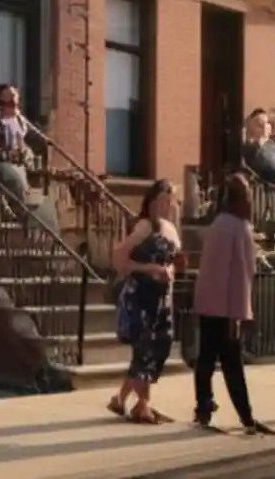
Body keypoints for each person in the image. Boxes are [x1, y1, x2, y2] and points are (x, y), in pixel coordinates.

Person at [192, 173, 275, 436]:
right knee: (232, 364)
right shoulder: (239, 228)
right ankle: (247, 417)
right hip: (228, 308)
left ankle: (203, 408)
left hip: (208, 304)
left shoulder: (217, 224)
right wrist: (239, 314)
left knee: (205, 358)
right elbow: (240, 274)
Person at [108, 179, 185, 425]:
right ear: (151, 202)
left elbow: (172, 260)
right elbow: (119, 258)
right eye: (161, 201)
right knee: (144, 350)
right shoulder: (144, 227)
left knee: (160, 345)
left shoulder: (171, 228)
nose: (166, 206)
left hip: (162, 297)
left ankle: (121, 400)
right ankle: (143, 405)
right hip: (141, 296)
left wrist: (171, 269)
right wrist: (148, 267)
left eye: (170, 201)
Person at [0, 84, 35, 203]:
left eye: (15, 96)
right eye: (10, 96)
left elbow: (22, 142)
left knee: (23, 191)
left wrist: (25, 155)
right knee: (16, 185)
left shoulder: (20, 120)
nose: (15, 96)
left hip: (17, 165)